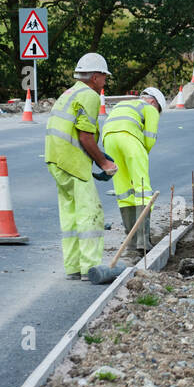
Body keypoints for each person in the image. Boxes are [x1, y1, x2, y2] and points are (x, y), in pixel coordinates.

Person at [44, 53, 118, 280]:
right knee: (90, 214)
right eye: (104, 76)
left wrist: (96, 157)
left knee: (70, 215)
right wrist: (104, 162)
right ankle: (90, 268)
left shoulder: (69, 92)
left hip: (56, 159)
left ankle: (73, 267)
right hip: (73, 161)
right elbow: (85, 136)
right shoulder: (90, 96)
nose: (105, 81)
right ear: (95, 77)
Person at [100, 87, 166, 256]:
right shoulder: (150, 108)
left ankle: (131, 240)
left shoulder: (123, 104)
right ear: (153, 102)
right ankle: (143, 241)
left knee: (123, 190)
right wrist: (140, 158)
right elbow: (149, 139)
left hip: (108, 140)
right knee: (142, 188)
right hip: (130, 139)